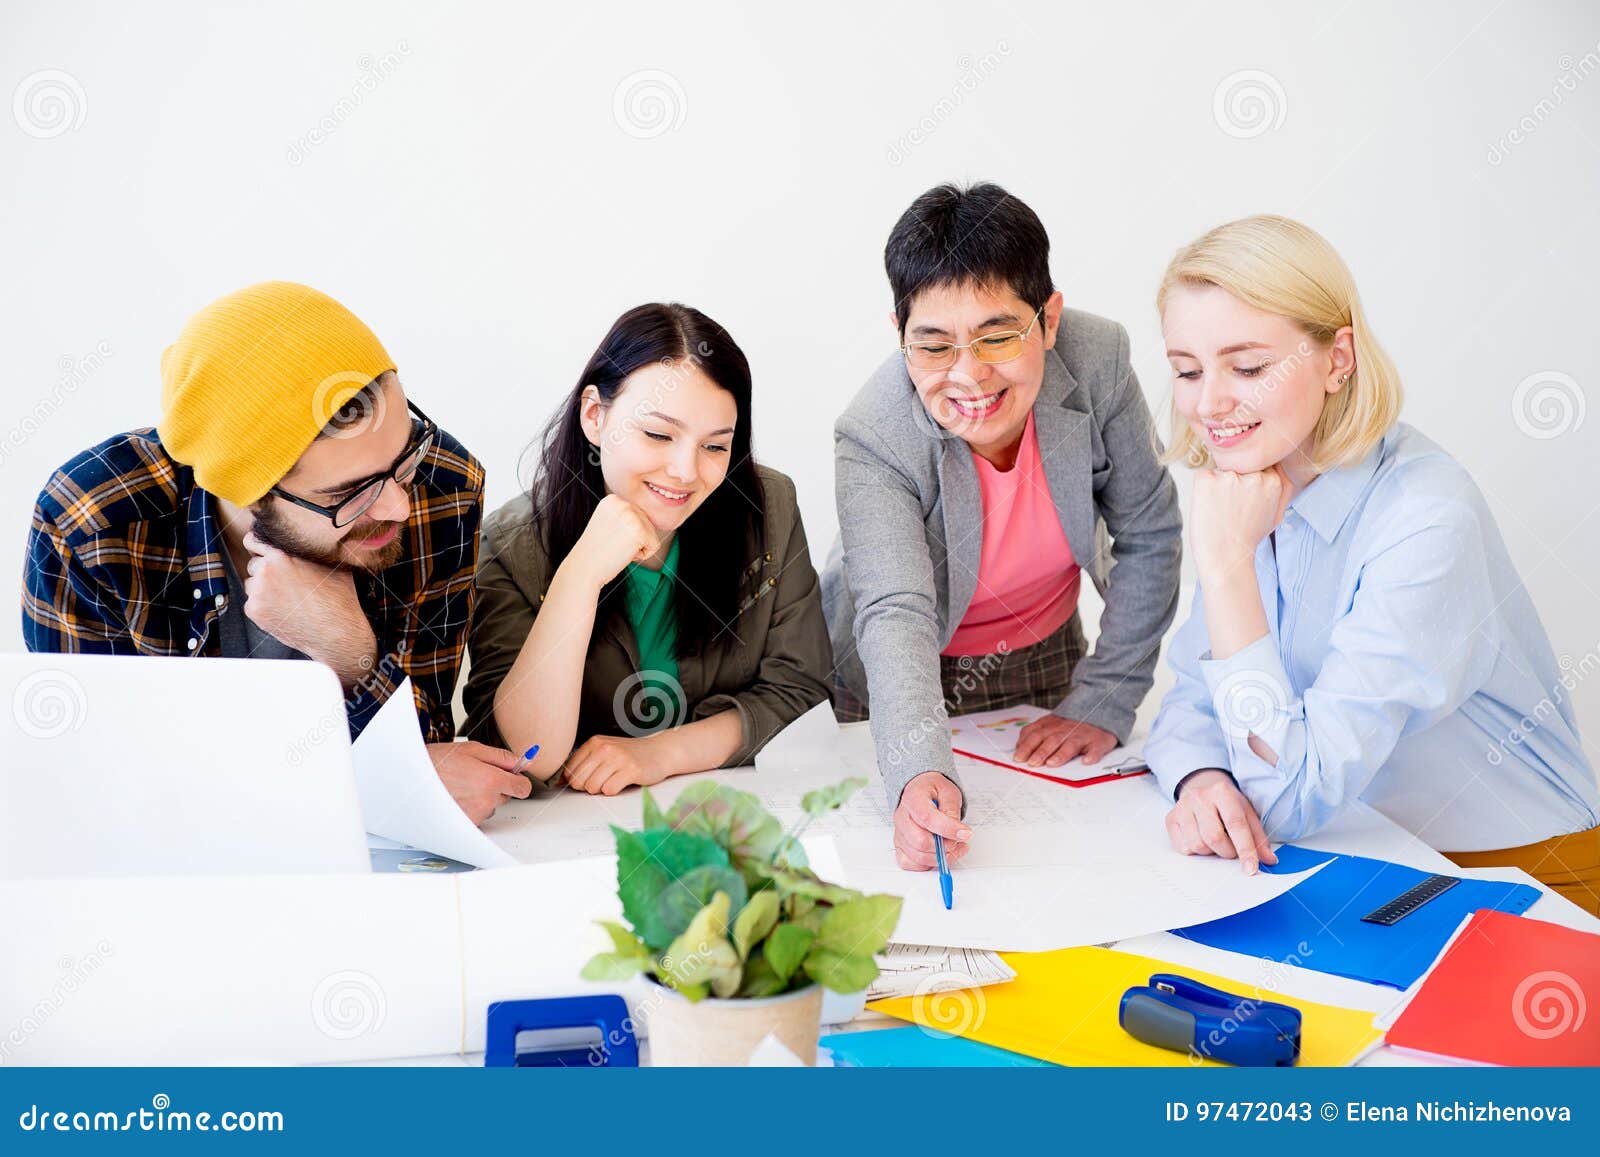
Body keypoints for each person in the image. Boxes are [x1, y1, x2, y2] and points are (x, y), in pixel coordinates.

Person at [1145, 214, 1600, 915]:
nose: (1208, 403)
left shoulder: (1425, 517)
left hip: (1526, 883)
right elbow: (1190, 702)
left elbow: (1290, 793)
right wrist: (1201, 777)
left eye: (1249, 367)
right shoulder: (1249, 484)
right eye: (1186, 369)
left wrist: (1229, 567)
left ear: (1338, 359)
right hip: (1371, 865)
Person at [23, 281, 530, 824]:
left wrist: (349, 654)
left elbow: (425, 749)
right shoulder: (92, 521)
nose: (399, 508)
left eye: (404, 459)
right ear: (243, 489)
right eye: (348, 494)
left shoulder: (443, 486)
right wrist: (378, 777)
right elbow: (92, 776)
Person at [822, 183, 1183, 872]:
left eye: (996, 335)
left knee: (1065, 848)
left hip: (1045, 647)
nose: (968, 375)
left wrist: (1107, 694)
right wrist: (919, 775)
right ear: (899, 331)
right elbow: (895, 612)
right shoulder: (872, 433)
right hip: (899, 673)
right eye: (933, 345)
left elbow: (1150, 531)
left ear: (1049, 319)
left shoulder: (1098, 359)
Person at [462, 302, 832, 793]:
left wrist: (663, 753)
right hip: (573, 835)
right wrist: (580, 577)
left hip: (720, 814)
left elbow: (802, 693)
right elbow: (526, 755)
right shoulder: (508, 544)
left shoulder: (769, 506)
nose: (685, 471)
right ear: (595, 416)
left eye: (715, 446)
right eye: (659, 434)